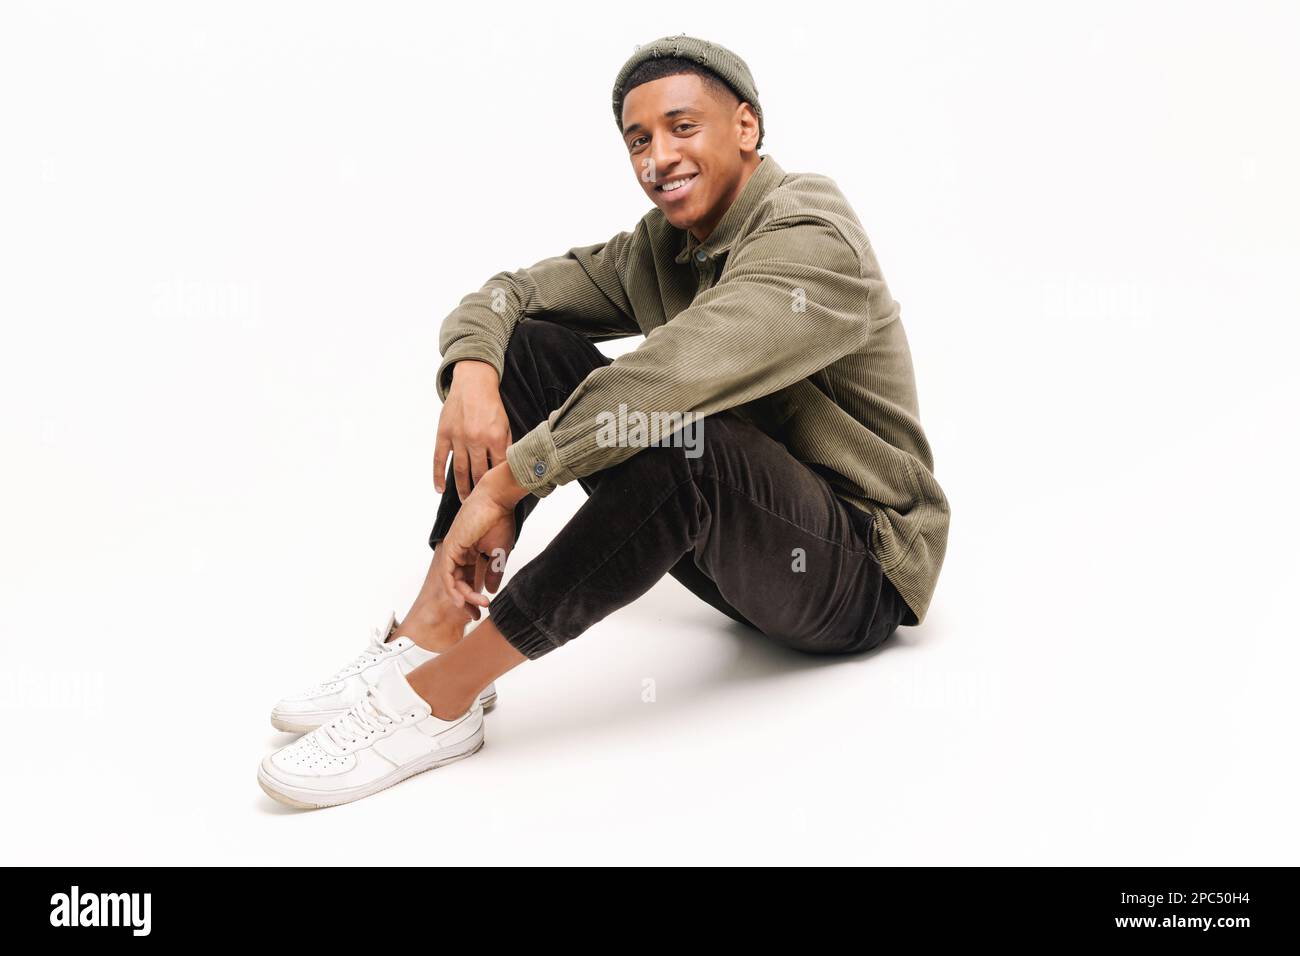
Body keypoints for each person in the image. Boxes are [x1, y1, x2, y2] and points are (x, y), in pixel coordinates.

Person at [257, 33, 950, 810]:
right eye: (639, 139)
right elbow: (510, 294)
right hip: (734, 548)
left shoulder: (812, 237)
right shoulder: (662, 250)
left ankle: (441, 700)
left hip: (856, 572)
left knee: (680, 437)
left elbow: (674, 373)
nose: (658, 157)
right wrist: (474, 371)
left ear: (746, 127)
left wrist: (508, 485)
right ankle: (428, 629)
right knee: (530, 348)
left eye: (682, 127)